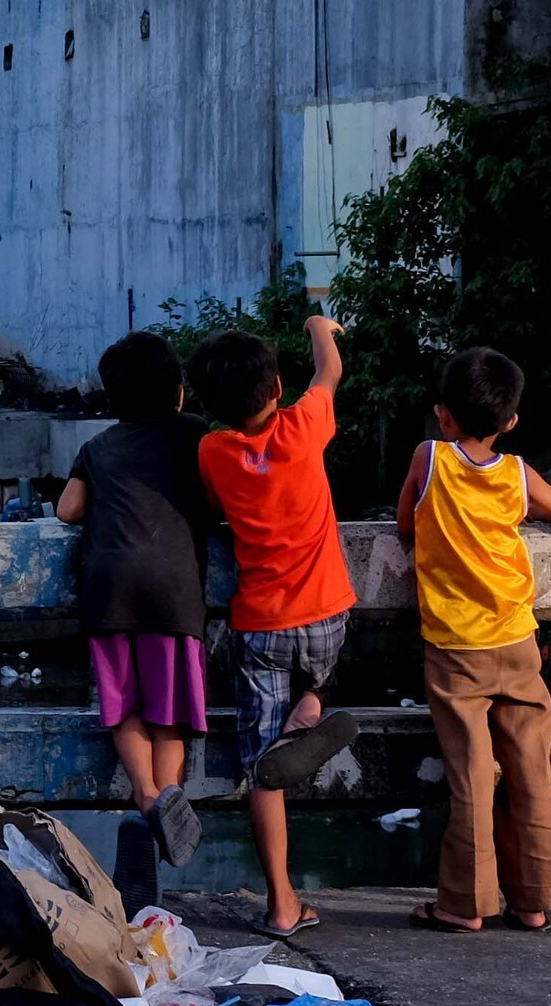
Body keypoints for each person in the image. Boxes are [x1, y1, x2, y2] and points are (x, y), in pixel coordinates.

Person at [395, 346, 551, 934]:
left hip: (455, 647)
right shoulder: (517, 473)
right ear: (510, 421)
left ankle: (465, 904)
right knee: (531, 770)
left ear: (443, 415)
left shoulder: (429, 458)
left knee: (473, 773)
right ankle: (533, 902)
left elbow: (405, 522)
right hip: (516, 639)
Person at [189, 316, 360, 938]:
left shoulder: (212, 450)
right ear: (277, 389)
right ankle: (313, 704)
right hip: (325, 617)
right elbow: (330, 371)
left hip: (259, 627)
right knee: (341, 646)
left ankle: (283, 904)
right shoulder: (304, 425)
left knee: (262, 771)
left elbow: (213, 509)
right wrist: (317, 324)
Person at [55, 332, 216, 913]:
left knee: (123, 704)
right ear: (178, 392)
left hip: (111, 590)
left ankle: (146, 796)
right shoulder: (195, 433)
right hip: (175, 591)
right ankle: (168, 794)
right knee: (169, 708)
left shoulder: (99, 447)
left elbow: (68, 509)